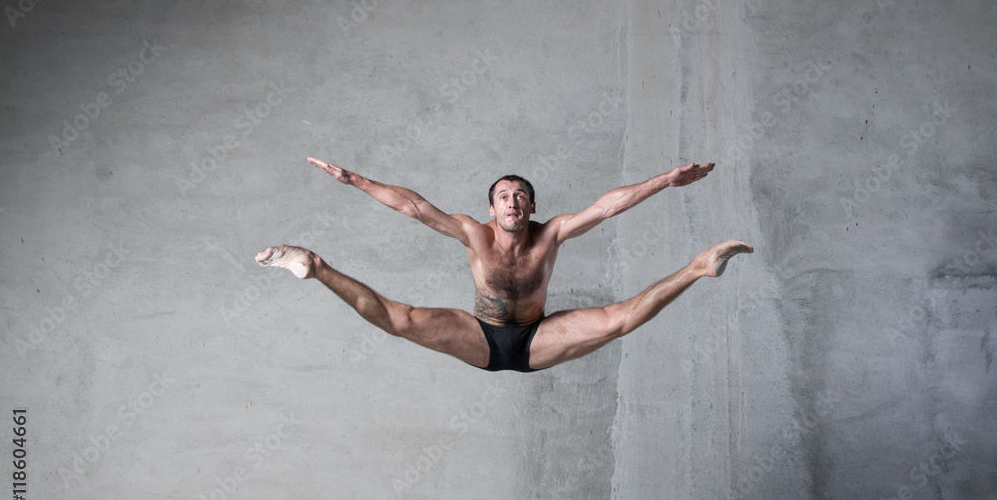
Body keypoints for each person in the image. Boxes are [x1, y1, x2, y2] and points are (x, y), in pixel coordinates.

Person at [256, 157, 752, 372]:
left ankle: (698, 267)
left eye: (520, 197)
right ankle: (315, 266)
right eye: (503, 197)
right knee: (399, 320)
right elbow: (414, 207)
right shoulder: (474, 233)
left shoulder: (551, 232)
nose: (512, 203)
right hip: (481, 334)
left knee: (620, 320)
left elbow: (607, 207)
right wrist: (356, 180)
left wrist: (665, 180)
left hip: (538, 337)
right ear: (491, 209)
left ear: (532, 207)